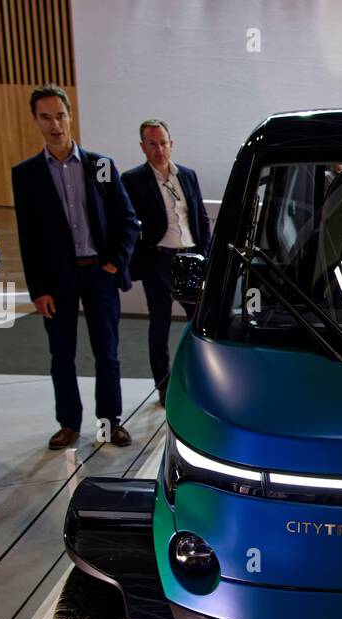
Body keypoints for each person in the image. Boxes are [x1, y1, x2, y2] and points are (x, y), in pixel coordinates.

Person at [11, 84, 140, 449]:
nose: (55, 125)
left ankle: (109, 422)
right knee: (61, 356)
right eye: (46, 117)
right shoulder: (27, 175)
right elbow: (29, 238)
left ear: (71, 116)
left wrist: (116, 262)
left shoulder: (100, 167)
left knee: (107, 353)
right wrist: (38, 289)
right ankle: (69, 424)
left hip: (99, 273)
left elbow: (127, 220)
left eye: (60, 116)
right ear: (36, 120)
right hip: (57, 280)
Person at [120, 119, 211, 405]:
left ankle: (202, 380)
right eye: (152, 143)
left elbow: (199, 218)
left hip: (191, 257)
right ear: (142, 147)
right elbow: (127, 223)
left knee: (201, 322)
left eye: (163, 142)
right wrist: (140, 258)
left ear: (172, 143)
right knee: (159, 325)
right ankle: (164, 384)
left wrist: (205, 253)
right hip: (158, 260)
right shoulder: (133, 180)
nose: (159, 149)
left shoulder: (187, 175)